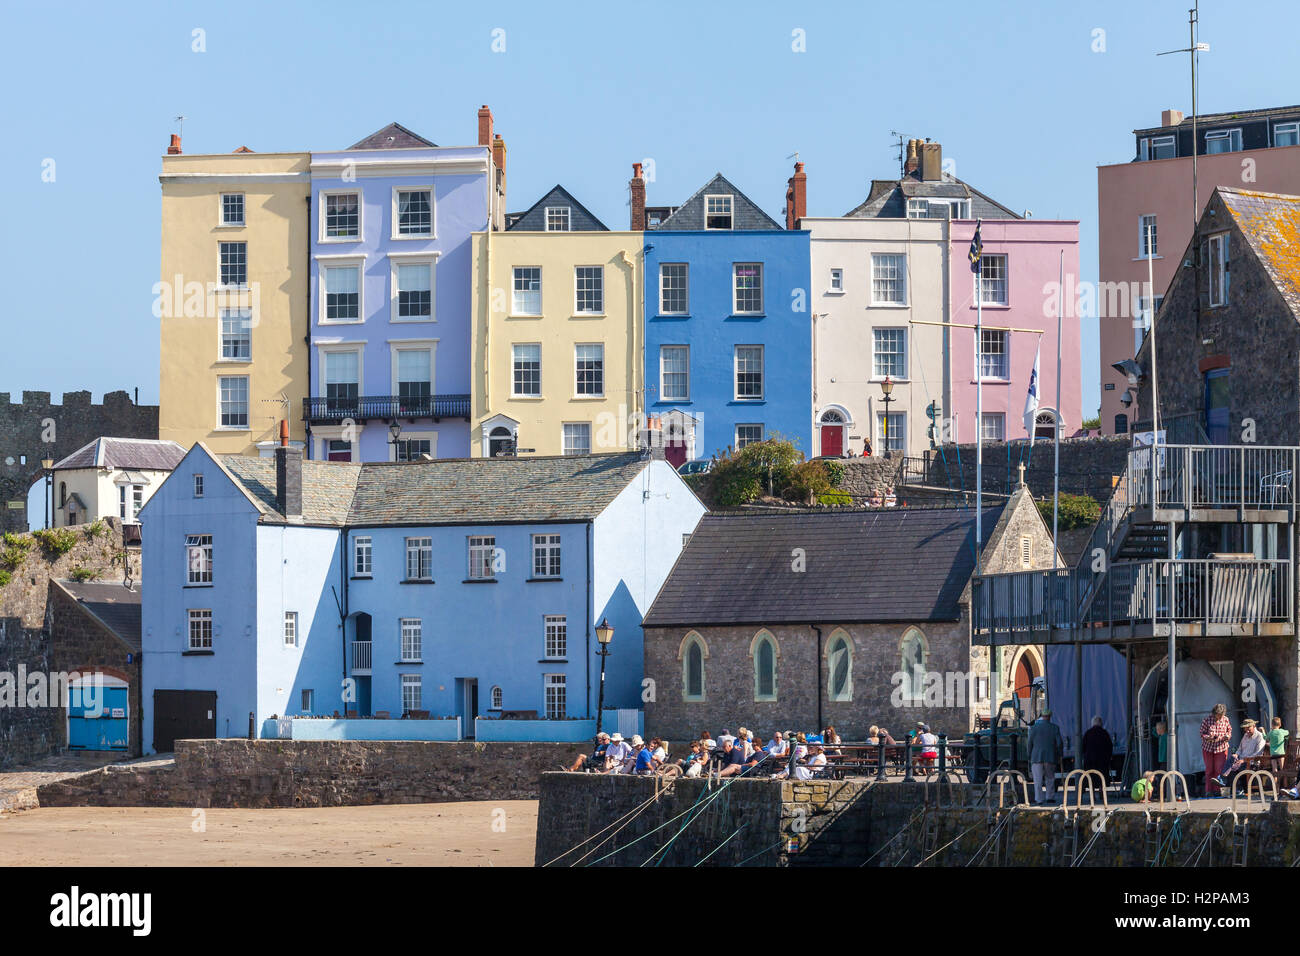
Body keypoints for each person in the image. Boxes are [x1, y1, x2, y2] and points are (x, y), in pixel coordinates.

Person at [1210, 719, 1266, 793]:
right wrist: (1236, 754)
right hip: (1242, 760)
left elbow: (1258, 754)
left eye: (1248, 728)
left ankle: (1226, 783)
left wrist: (1244, 760)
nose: (1247, 731)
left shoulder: (1259, 736)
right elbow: (1240, 749)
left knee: (1233, 766)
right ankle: (1224, 781)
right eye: (1245, 729)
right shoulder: (1245, 735)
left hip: (1252, 762)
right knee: (1232, 758)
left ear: (1254, 726)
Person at [1028, 710, 1063, 805]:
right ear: (1050, 716)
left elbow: (1029, 743)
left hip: (1036, 757)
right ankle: (1050, 797)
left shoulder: (1033, 728)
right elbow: (1059, 743)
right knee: (1050, 778)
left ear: (1041, 716)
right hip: (1050, 756)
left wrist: (1029, 755)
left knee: (1038, 779)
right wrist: (1060, 754)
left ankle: (1039, 799)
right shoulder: (1055, 728)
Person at [1200, 704, 1232, 797]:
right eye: (1218, 715)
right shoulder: (1207, 720)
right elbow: (1202, 733)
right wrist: (1208, 737)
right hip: (1208, 748)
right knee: (1209, 770)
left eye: (1221, 715)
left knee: (1219, 769)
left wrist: (1228, 736)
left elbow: (1229, 730)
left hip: (1221, 748)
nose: (1220, 717)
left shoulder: (1226, 719)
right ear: (1214, 713)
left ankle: (1217, 791)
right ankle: (1208, 791)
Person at [1081, 717, 1113, 791]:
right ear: (1101, 723)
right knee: (1102, 777)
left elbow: (1083, 747)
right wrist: (1109, 757)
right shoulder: (1105, 733)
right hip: (1102, 760)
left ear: (1092, 723)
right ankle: (1102, 792)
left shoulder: (1088, 733)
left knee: (1090, 777)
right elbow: (1109, 746)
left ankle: (1092, 795)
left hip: (1090, 760)